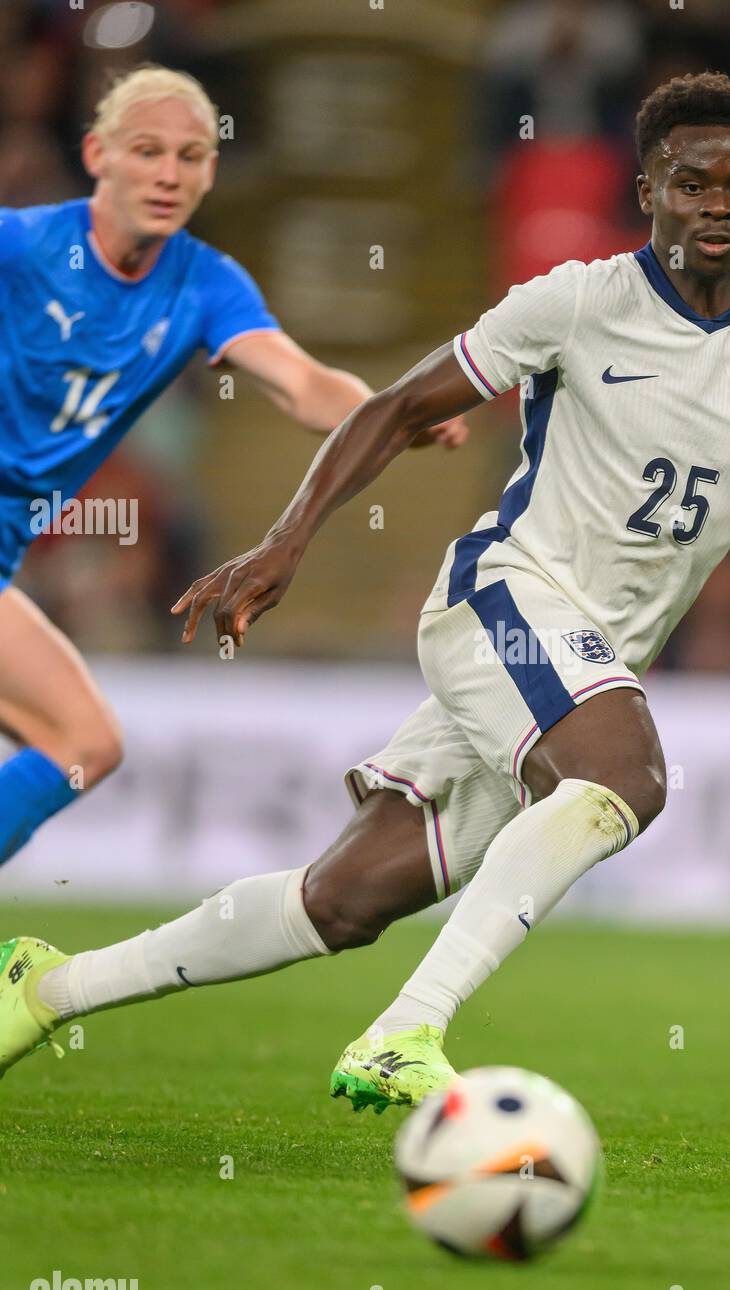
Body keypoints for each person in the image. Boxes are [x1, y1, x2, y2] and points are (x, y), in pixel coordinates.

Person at [1, 72, 730, 1111]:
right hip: (504, 604)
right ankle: (402, 1034)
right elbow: (390, 408)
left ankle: (47, 986)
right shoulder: (575, 299)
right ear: (646, 187)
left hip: (587, 655)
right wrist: (286, 544)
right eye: (691, 183)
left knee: (338, 902)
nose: (716, 207)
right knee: (622, 779)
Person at [0, 63, 466, 865]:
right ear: (96, 155)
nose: (168, 173)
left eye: (189, 156)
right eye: (146, 150)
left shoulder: (205, 284)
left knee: (83, 742)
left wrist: (396, 411)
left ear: (210, 171)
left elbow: (302, 383)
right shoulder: (22, 245)